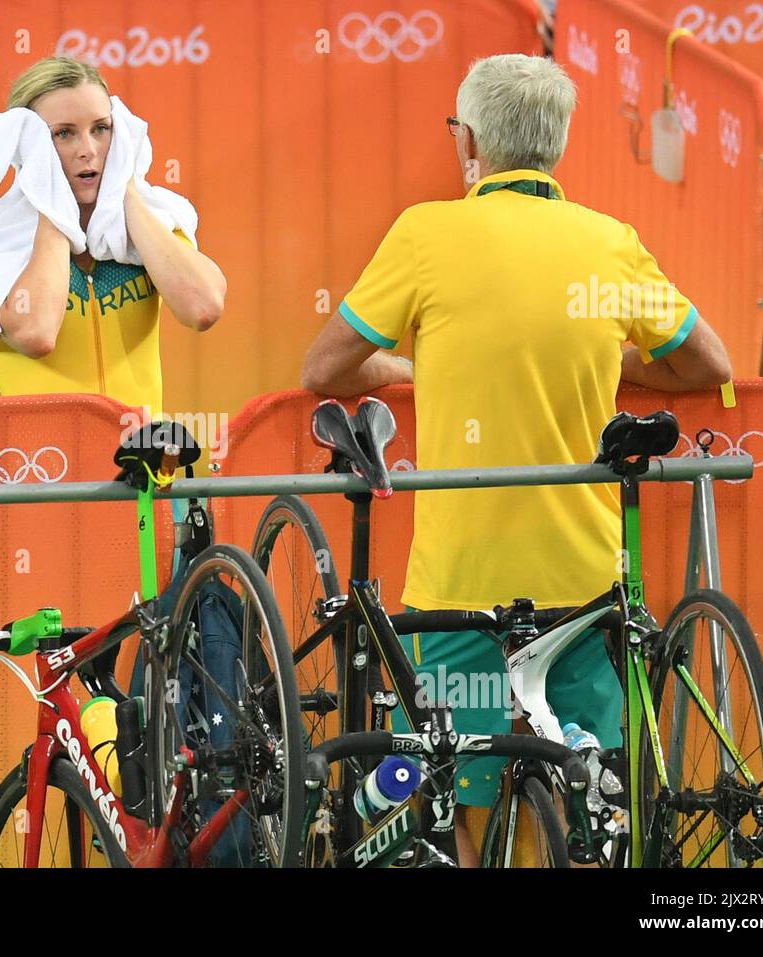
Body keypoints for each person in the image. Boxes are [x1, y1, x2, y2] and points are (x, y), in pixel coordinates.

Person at [300, 54, 731, 866]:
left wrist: (411, 368)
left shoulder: (427, 232)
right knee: (585, 797)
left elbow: (323, 370)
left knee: (453, 798)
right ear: (558, 146)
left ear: (467, 140)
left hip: (461, 584)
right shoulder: (609, 244)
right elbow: (708, 363)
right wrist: (607, 358)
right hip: (581, 583)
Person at [0, 56, 226, 414]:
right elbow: (35, 333)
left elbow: (203, 308)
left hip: (140, 459)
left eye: (101, 129)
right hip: (43, 464)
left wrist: (125, 187)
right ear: (27, 144)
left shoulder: (159, 214)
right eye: (64, 133)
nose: (88, 149)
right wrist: (51, 203)